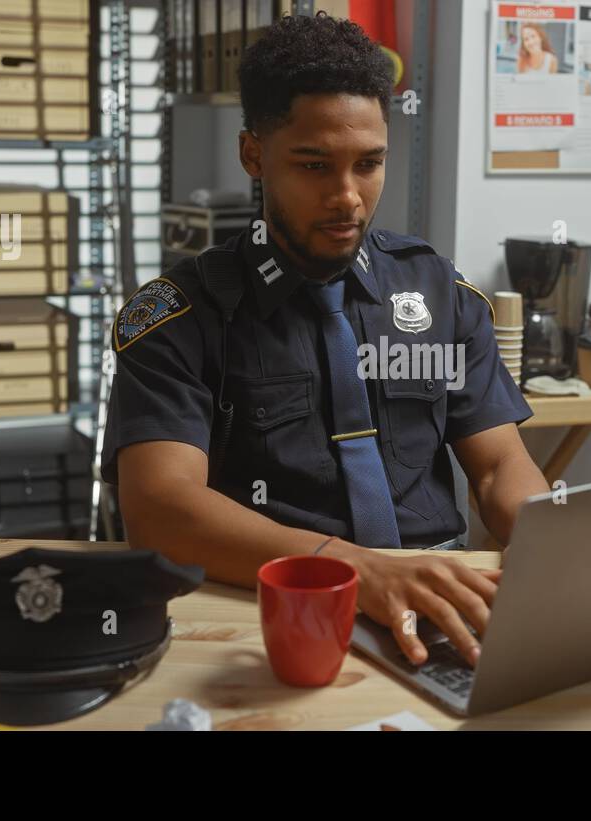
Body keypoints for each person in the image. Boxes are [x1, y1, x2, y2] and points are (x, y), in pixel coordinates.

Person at [103, 14, 550, 670]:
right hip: (272, 616)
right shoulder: (181, 317)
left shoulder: (433, 290)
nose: (348, 198)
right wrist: (353, 571)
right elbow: (161, 509)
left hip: (438, 604)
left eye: (369, 163)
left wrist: (558, 551)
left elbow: (497, 466)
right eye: (314, 165)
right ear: (253, 154)